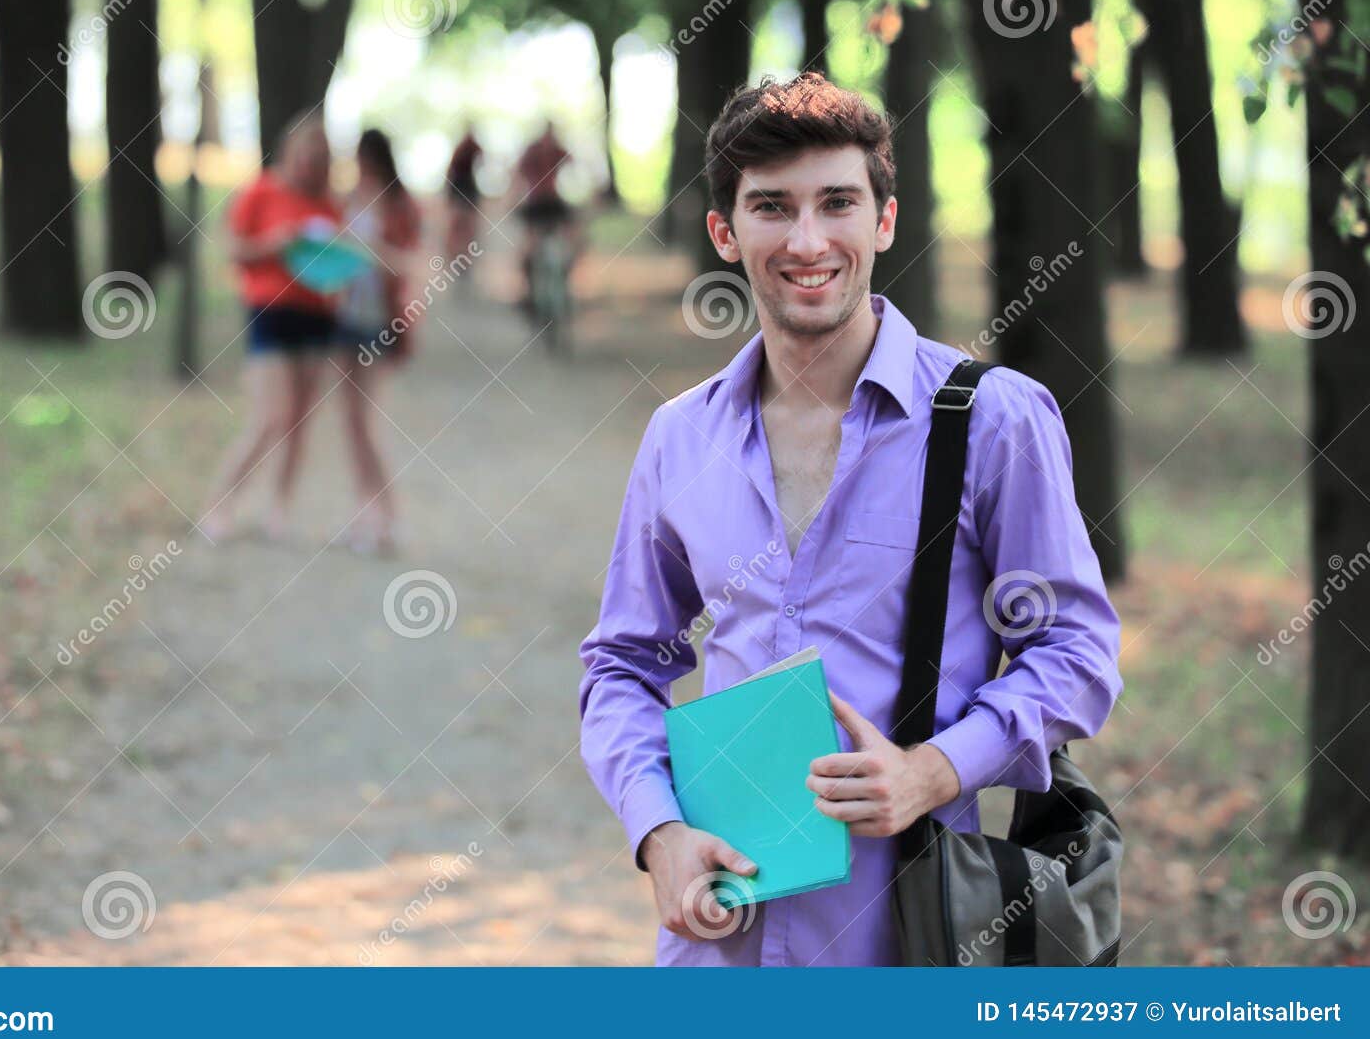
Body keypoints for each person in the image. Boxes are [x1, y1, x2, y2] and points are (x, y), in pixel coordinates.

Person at [577, 73, 1122, 967]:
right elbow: (623, 662)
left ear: (884, 221)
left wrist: (935, 770)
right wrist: (660, 830)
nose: (807, 240)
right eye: (771, 207)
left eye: (837, 202)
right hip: (723, 947)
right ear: (725, 231)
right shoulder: (681, 437)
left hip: (910, 932)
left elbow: (1077, 653)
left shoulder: (995, 419)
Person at [203, 111, 342, 542]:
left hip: (318, 315)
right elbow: (234, 251)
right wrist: (276, 244)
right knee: (269, 417)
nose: (310, 164)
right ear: (289, 151)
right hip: (270, 312)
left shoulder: (330, 204)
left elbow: (340, 265)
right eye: (305, 154)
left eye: (318, 157)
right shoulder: (260, 192)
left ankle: (279, 507)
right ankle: (219, 505)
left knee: (300, 422)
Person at [334, 128, 421, 555]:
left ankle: (390, 513)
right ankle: (363, 514)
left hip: (379, 321)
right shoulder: (345, 198)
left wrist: (373, 247)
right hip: (342, 318)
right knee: (350, 425)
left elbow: (410, 262)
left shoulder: (398, 205)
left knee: (368, 423)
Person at [512, 121, 579, 303]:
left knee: (570, 238)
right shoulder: (535, 151)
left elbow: (575, 167)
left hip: (550, 202)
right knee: (530, 243)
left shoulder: (555, 150)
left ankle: (564, 279)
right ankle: (528, 285)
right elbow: (518, 174)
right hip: (537, 202)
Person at [443, 125, 483, 274]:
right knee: (458, 226)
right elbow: (450, 172)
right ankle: (455, 256)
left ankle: (463, 257)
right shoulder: (461, 149)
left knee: (468, 227)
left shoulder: (472, 147)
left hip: (467, 191)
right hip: (459, 190)